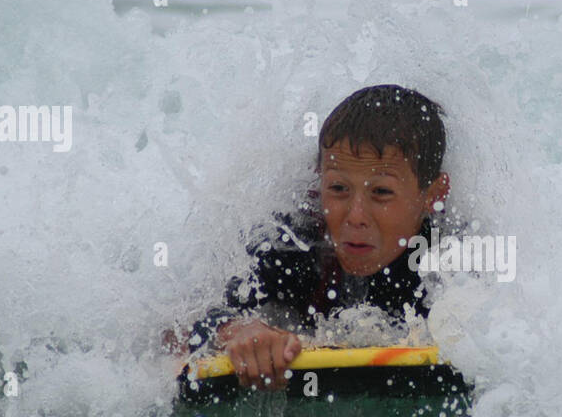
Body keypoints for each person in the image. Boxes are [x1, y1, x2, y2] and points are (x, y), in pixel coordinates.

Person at [188, 84, 451, 391]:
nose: (355, 216)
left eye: (381, 192)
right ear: (319, 180)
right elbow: (184, 325)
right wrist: (238, 332)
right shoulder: (293, 241)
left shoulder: (451, 261)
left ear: (433, 195)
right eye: (338, 188)